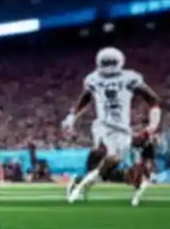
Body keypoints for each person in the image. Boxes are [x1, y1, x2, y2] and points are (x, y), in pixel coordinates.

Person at [61, 47, 161, 206]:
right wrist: (71, 117)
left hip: (121, 128)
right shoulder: (95, 79)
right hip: (102, 125)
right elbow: (86, 98)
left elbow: (153, 100)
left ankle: (79, 181)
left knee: (110, 166)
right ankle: (80, 187)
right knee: (112, 159)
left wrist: (153, 124)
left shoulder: (126, 78)